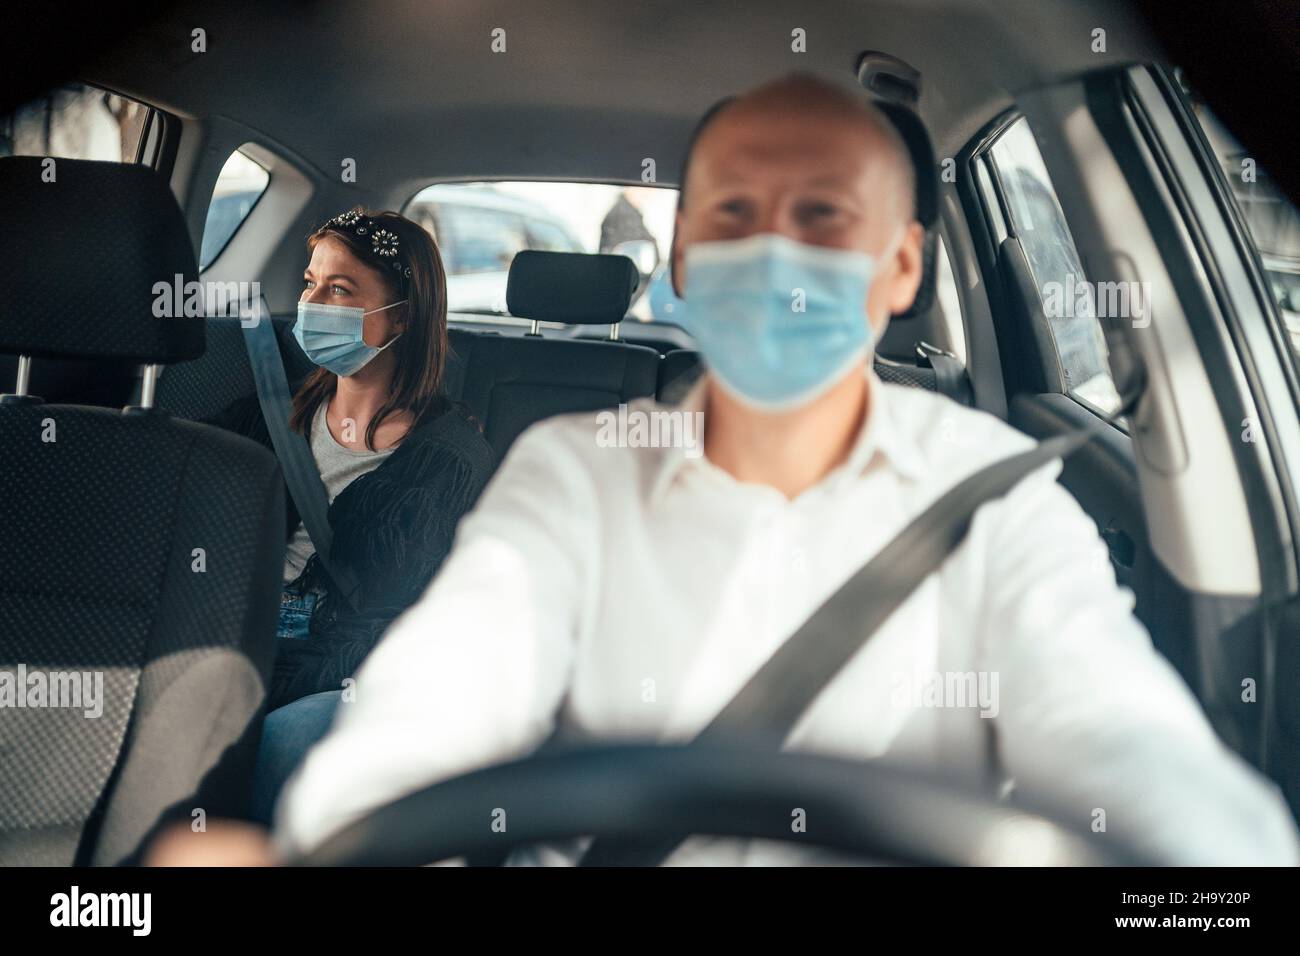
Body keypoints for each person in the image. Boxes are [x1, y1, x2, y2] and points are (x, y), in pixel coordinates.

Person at [153, 74, 1299, 866]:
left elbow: (1118, 735)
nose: (775, 249)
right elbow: (449, 685)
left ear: (899, 267)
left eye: (823, 216)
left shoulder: (999, 499)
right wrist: (324, 838)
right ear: (688, 257)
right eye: (736, 214)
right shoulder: (575, 474)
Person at [209, 207, 495, 821]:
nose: (314, 302)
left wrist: (261, 686)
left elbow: (385, 622)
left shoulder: (446, 461)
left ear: (403, 313)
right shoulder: (260, 416)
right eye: (310, 284)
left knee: (287, 742)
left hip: (349, 669)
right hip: (234, 637)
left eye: (340, 289)